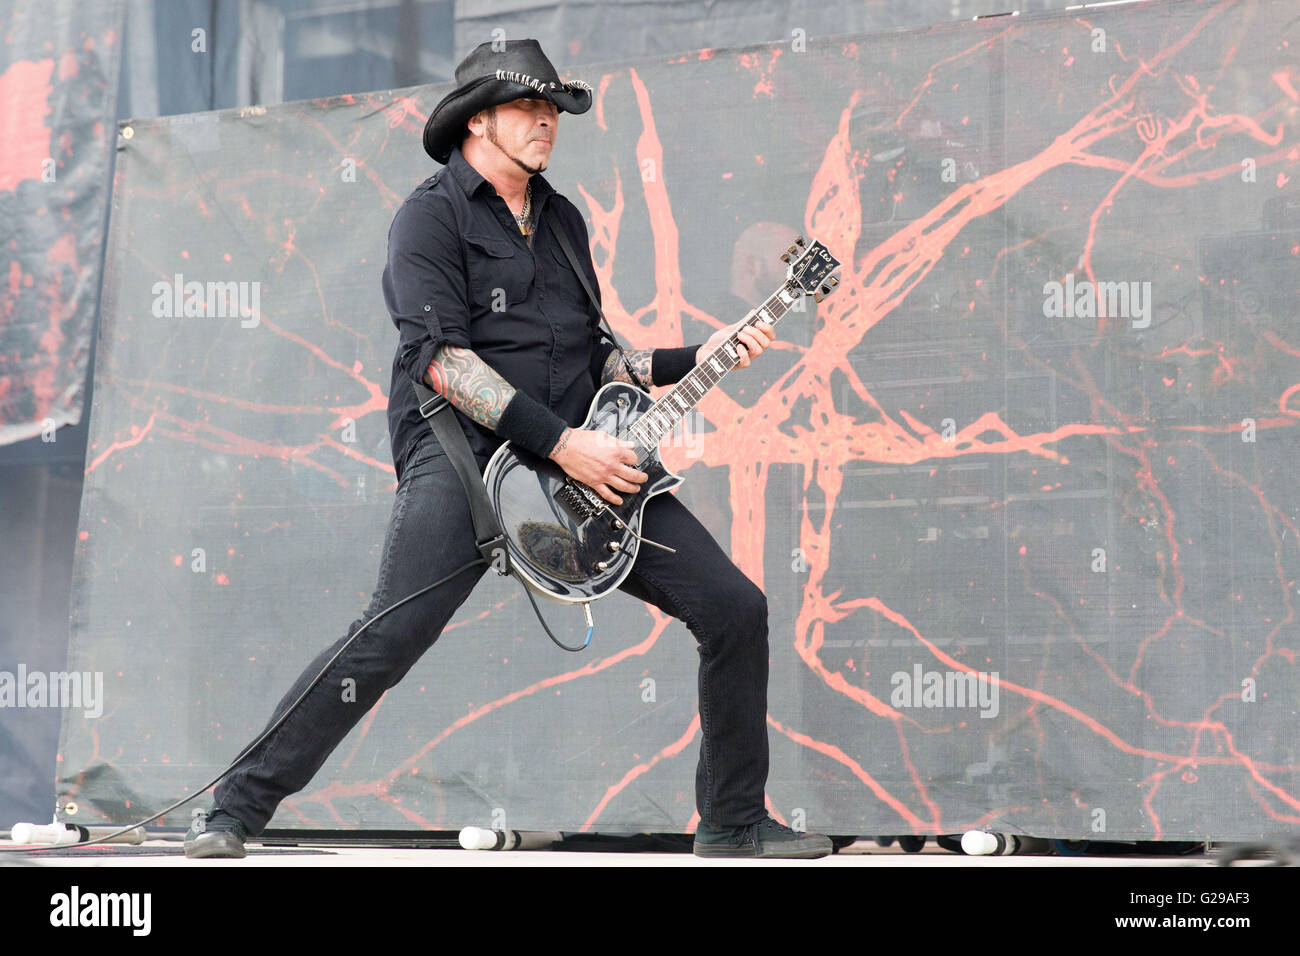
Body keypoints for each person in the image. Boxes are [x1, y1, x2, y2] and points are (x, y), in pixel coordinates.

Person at [185, 38, 832, 860]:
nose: (548, 123)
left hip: (583, 461)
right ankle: (234, 811)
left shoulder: (562, 220)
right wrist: (562, 446)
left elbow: (601, 357)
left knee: (736, 608)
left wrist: (694, 356)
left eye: (553, 111)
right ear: (479, 121)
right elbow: (444, 363)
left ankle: (734, 822)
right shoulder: (429, 215)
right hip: (466, 456)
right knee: (389, 636)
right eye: (531, 109)